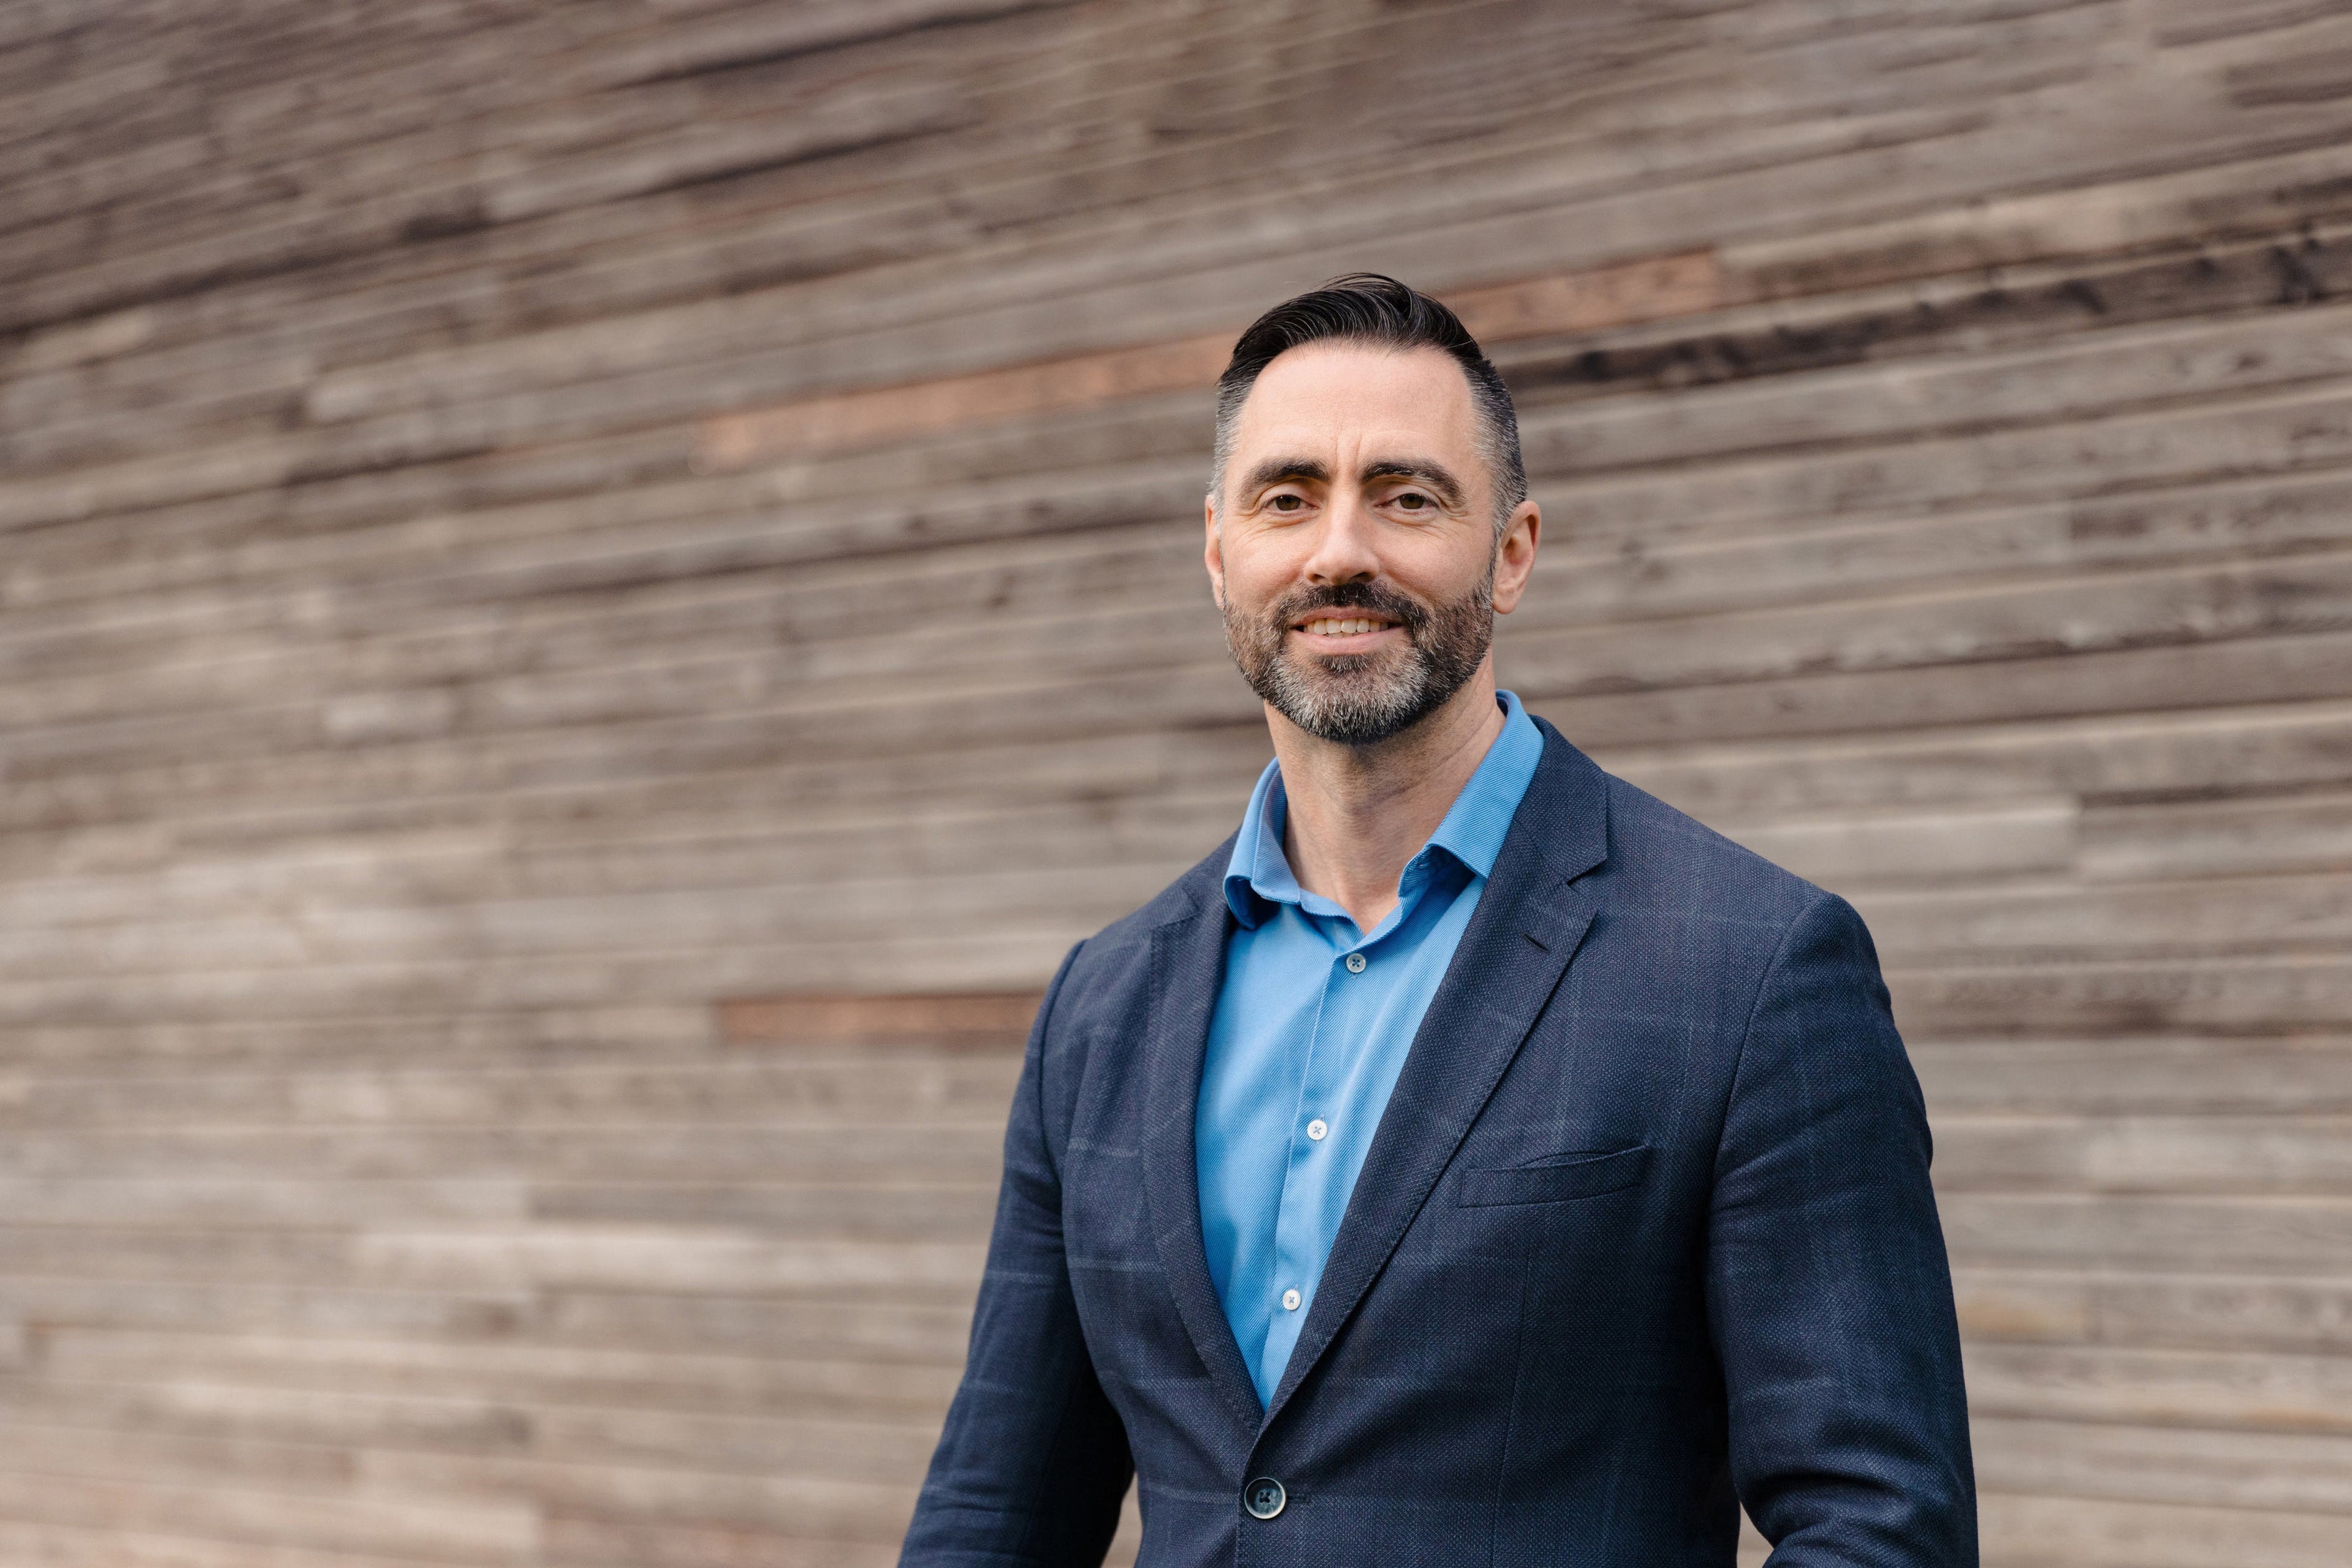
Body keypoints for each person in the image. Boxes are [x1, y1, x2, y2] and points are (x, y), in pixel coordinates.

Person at [899, 274, 1975, 1566]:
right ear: (1219, 551)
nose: (1338, 552)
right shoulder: (1103, 1002)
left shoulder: (1748, 969)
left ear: (1511, 552)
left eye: (1407, 497)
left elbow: (1879, 1526)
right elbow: (993, 1516)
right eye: (1287, 497)